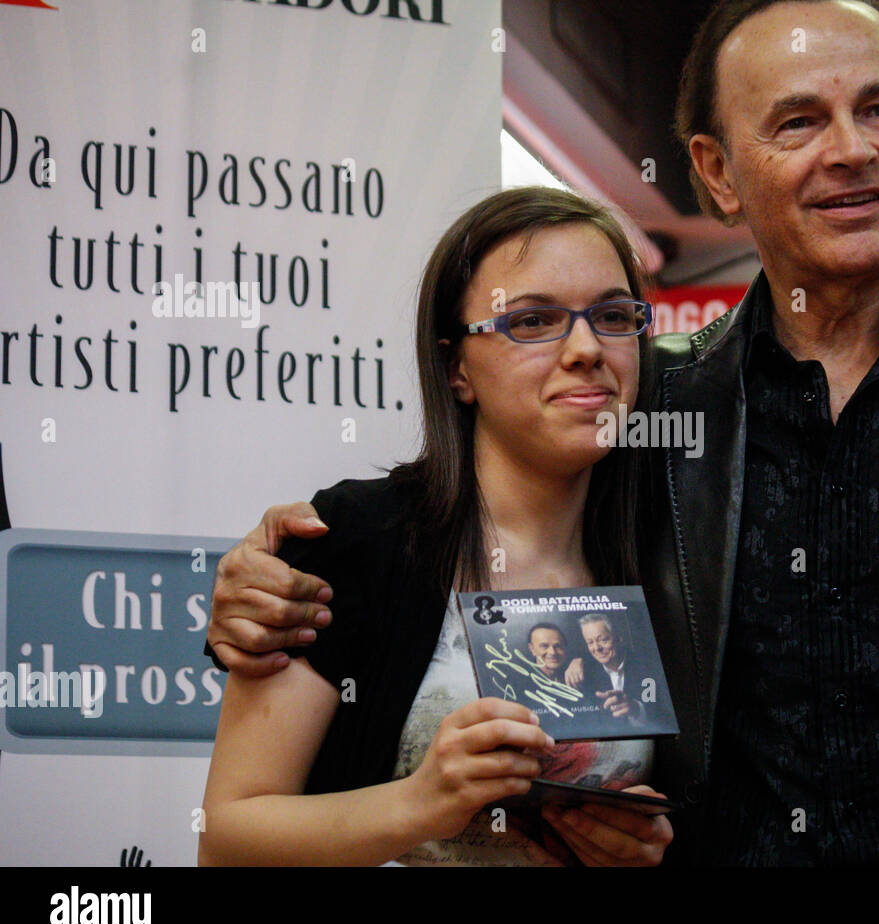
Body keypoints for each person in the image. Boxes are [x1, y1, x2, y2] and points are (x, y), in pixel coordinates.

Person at [205, 0, 879, 866]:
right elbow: (453, 525)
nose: (851, 150)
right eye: (796, 121)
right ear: (718, 171)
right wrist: (271, 576)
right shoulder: (650, 413)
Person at [198, 187, 672, 866]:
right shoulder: (356, 537)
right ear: (457, 369)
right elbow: (226, 839)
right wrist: (417, 804)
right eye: (533, 321)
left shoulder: (667, 552)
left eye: (613, 315)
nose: (586, 347)